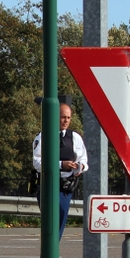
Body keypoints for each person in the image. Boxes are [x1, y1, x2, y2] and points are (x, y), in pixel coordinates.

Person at [32, 102, 88, 238]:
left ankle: (53, 248)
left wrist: (79, 167)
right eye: (63, 117)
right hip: (47, 185)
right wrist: (61, 165)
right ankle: (49, 252)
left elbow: (84, 161)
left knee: (62, 214)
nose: (66, 121)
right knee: (50, 220)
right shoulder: (43, 137)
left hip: (65, 186)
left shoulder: (75, 138)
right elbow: (37, 162)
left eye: (68, 118)